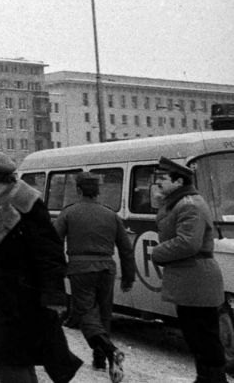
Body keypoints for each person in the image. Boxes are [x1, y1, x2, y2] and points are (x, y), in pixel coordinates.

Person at [0, 151, 82, 383]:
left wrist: (53, 295)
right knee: (14, 360)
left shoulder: (27, 206)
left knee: (12, 361)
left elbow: (50, 252)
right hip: (2, 297)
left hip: (23, 299)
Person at [151, 157, 226, 383]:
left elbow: (187, 243)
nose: (158, 183)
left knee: (204, 336)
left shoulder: (189, 205)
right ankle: (206, 378)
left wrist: (157, 253)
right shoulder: (179, 203)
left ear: (178, 181)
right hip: (190, 279)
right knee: (196, 336)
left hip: (196, 279)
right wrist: (162, 204)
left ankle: (214, 380)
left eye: (163, 179)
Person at [53, 172, 133, 381]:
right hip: (107, 269)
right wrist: (128, 277)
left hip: (80, 269)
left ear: (78, 191)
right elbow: (126, 249)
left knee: (86, 314)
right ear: (98, 192)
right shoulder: (111, 215)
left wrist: (59, 269)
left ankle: (109, 351)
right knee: (104, 313)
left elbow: (54, 243)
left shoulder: (69, 213)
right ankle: (100, 360)